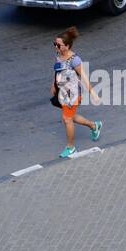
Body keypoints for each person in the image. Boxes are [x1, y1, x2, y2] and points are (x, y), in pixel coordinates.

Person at [51, 27, 101, 158]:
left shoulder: (75, 60)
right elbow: (57, 71)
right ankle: (94, 125)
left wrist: (93, 93)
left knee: (67, 119)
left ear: (67, 46)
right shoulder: (59, 55)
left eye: (58, 45)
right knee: (71, 116)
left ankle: (71, 147)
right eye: (54, 44)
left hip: (73, 94)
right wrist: (53, 85)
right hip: (63, 92)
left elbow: (83, 76)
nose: (55, 46)